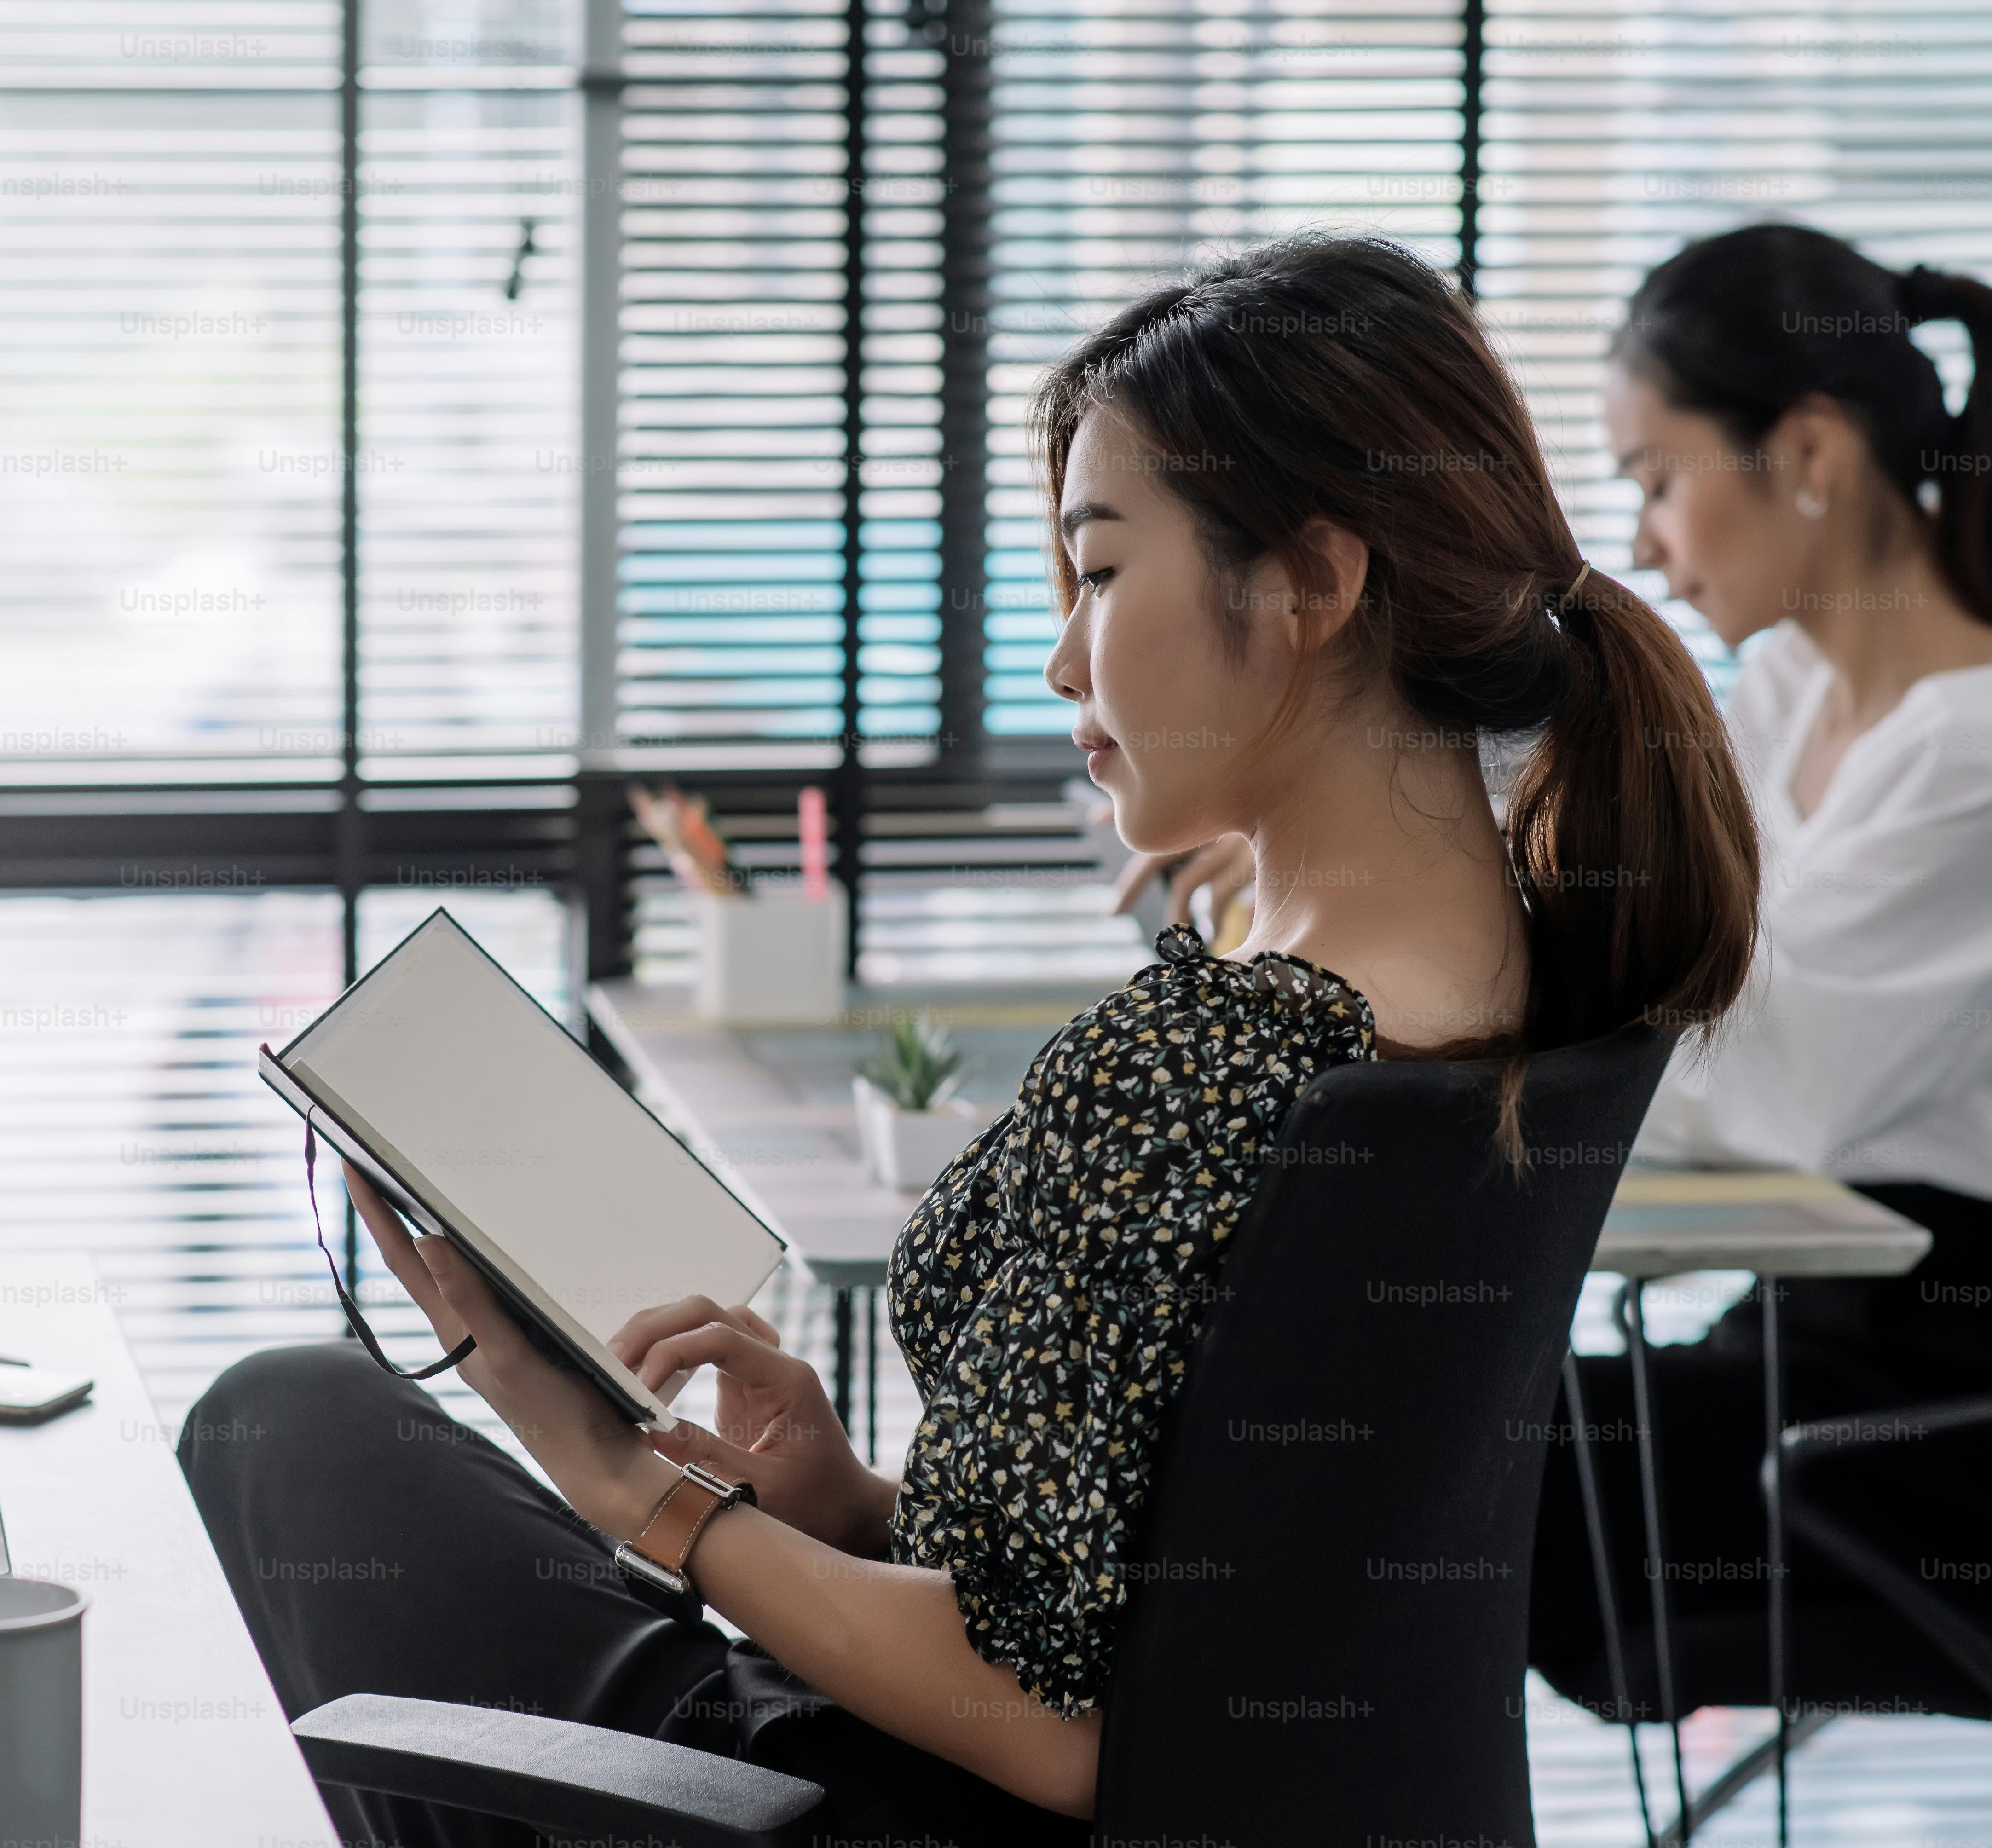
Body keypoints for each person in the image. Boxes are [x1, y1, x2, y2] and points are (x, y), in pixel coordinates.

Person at [179, 233, 1760, 1843]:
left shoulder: (1206, 1059)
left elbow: (1046, 1724)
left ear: (1311, 582)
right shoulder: (1528, 998)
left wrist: (638, 1490)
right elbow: (1207, 1619)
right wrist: (844, 1504)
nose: (1063, 655)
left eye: (1100, 570)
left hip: (870, 1807)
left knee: (285, 1410)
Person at [1520, 224, 1992, 1718]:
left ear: (1807, 451)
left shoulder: (1975, 747)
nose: (1644, 543)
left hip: (1926, 1411)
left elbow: (1776, 1077)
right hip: (1805, 1337)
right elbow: (1681, 980)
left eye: (1658, 482)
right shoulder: (1785, 697)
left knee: (1445, 1433)